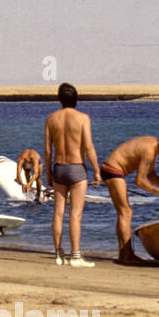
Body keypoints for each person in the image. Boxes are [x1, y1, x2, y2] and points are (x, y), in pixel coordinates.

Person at [100, 133, 159, 264]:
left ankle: (125, 254)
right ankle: (127, 255)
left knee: (124, 213)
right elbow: (140, 181)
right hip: (113, 170)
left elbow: (150, 174)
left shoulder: (153, 145)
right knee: (126, 212)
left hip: (113, 170)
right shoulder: (149, 150)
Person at [42, 83, 100, 267]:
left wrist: (49, 172)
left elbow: (47, 150)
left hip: (59, 167)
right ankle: (75, 255)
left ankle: (58, 253)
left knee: (58, 212)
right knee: (75, 214)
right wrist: (97, 170)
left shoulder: (51, 119)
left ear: (59, 100)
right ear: (76, 99)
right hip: (77, 168)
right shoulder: (83, 118)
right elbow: (88, 147)